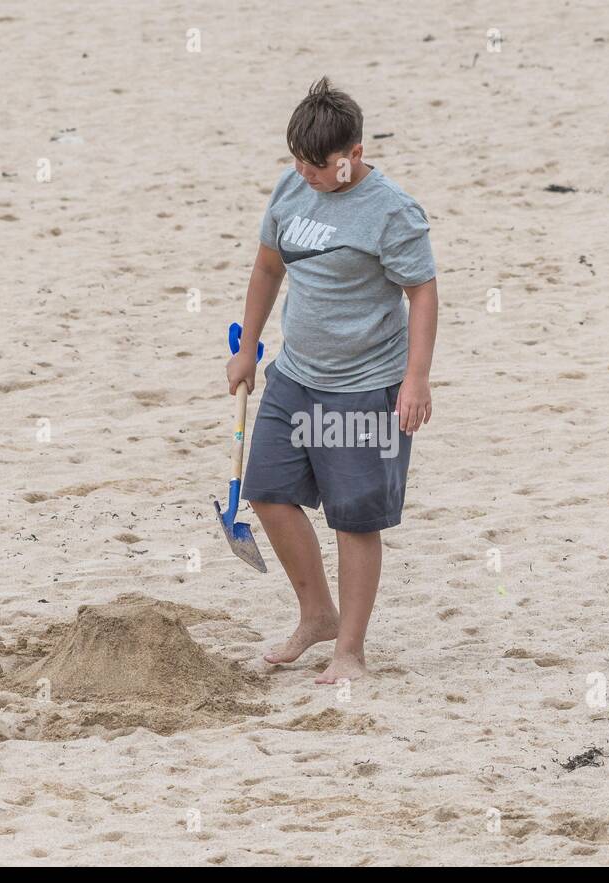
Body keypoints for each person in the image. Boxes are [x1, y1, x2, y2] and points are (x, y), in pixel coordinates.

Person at [226, 77, 439, 684]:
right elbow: (268, 268)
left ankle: (350, 651)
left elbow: (421, 293)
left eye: (321, 165)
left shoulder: (392, 211)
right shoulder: (292, 188)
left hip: (367, 383)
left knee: (354, 518)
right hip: (295, 374)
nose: (308, 173)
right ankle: (317, 615)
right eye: (299, 160)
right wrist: (248, 345)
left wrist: (415, 379)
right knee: (265, 492)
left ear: (356, 153)